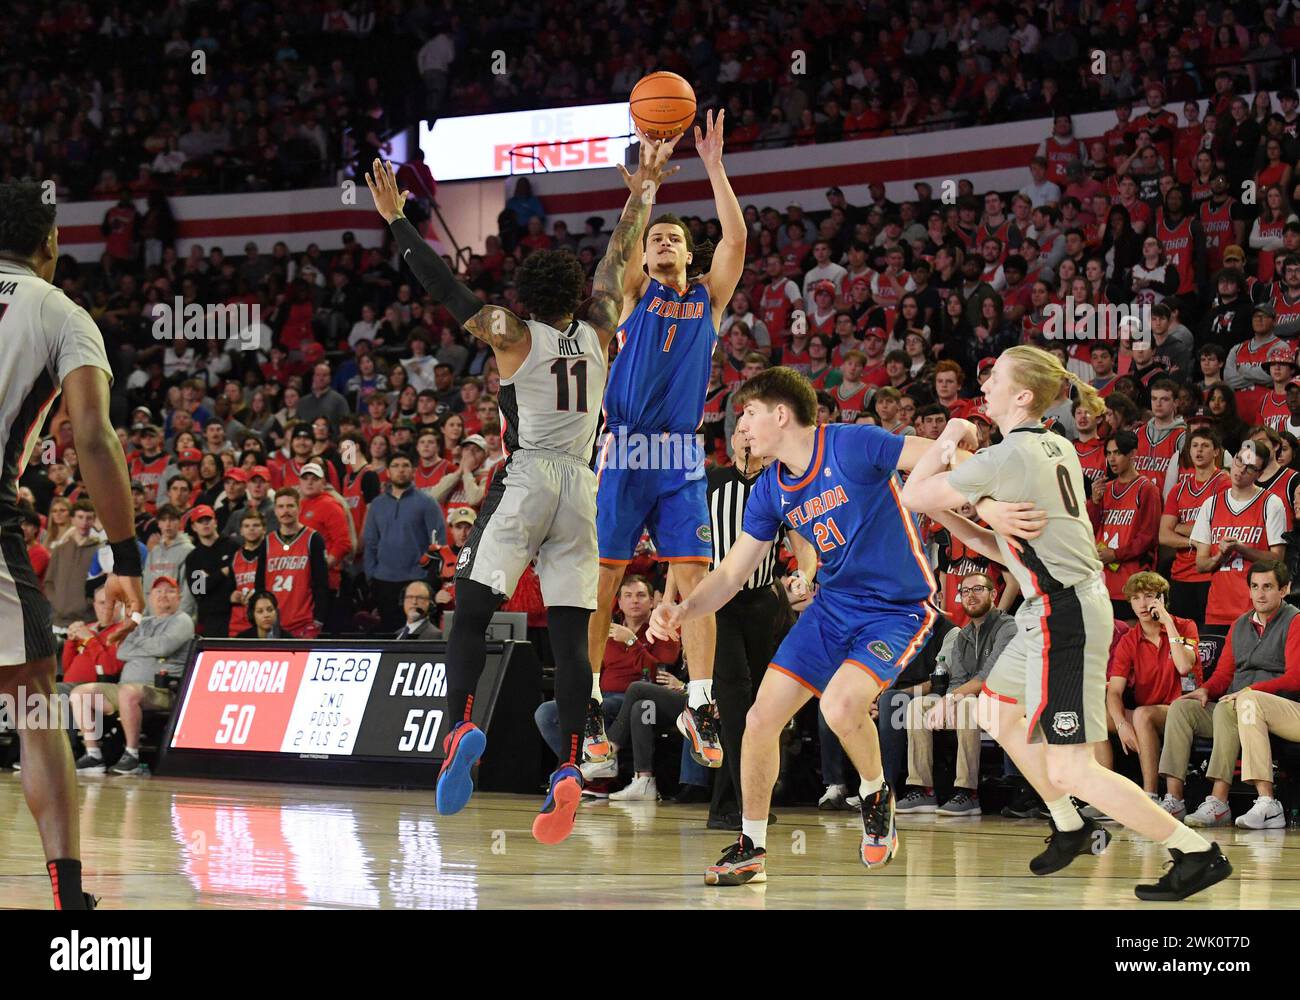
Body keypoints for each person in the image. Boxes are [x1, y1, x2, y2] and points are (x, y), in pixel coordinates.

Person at [368, 139, 635, 847]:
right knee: (574, 641)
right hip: (584, 488)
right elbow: (619, 261)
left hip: (526, 481)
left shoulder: (514, 337)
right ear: (577, 296)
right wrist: (642, 192)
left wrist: (400, 222)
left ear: (525, 300)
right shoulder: (603, 330)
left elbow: (447, 291)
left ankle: (463, 725)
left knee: (470, 614)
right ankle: (572, 765)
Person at [902, 345, 1233, 902]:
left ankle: (1195, 852)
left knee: (1074, 768)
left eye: (996, 377)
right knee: (998, 715)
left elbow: (913, 492)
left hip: (1067, 615)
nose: (985, 383)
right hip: (1043, 606)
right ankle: (1071, 825)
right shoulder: (1052, 445)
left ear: (1023, 395)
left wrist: (953, 431)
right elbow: (1007, 548)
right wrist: (980, 509)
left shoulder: (1010, 456)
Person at [650, 367, 967, 886]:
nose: (742, 426)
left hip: (897, 606)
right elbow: (731, 572)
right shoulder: (771, 487)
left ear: (780, 414)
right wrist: (683, 611)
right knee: (758, 721)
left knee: (841, 705)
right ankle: (751, 848)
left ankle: (875, 792)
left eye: (748, 413)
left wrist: (992, 489)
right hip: (833, 606)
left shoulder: (853, 443)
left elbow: (938, 458)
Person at [590, 111, 750, 779]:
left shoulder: (709, 300)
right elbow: (615, 255)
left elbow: (736, 242)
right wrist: (644, 190)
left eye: (673, 240)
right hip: (625, 447)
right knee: (602, 581)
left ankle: (703, 705)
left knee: (698, 585)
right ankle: (592, 703)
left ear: (688, 254)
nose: (660, 243)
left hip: (681, 452)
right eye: (654, 239)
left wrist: (714, 168)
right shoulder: (632, 295)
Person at [0, 180, 145, 909]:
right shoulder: (60, 312)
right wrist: (125, 555)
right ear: (50, 243)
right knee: (32, 703)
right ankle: (69, 897)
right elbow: (91, 435)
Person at [1158, 561, 1300, 829]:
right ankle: (1173, 799)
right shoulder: (1239, 625)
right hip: (1239, 708)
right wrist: (1205, 690)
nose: (1260, 594)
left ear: (1284, 589)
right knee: (1182, 709)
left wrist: (1249, 692)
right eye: (1255, 587)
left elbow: (1295, 679)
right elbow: (1224, 675)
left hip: (1285, 708)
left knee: (1234, 704)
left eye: (1268, 587)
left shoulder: (1295, 621)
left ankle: (1226, 800)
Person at [897, 571, 1017, 816]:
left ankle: (967, 792)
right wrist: (946, 701)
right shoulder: (963, 636)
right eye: (965, 591)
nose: (970, 596)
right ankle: (922, 790)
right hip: (973, 702)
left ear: (994, 594)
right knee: (916, 706)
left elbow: (988, 678)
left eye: (978, 589)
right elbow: (958, 682)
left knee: (965, 705)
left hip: (1007, 702)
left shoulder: (1008, 627)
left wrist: (950, 700)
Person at [70, 575, 192, 777]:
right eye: (158, 591)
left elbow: (164, 646)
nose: (163, 595)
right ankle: (93, 755)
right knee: (79, 693)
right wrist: (150, 647)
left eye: (169, 591)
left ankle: (132, 755)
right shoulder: (142, 622)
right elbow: (122, 651)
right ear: (150, 597)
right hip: (125, 687)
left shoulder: (182, 620)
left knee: (128, 693)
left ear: (178, 597)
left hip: (161, 690)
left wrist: (139, 643)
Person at [1103, 573, 1199, 802]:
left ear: (1162, 599)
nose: (1143, 604)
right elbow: (1114, 691)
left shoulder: (1185, 626)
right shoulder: (1129, 640)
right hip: (1147, 714)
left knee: (1143, 715)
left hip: (1185, 709)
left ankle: (1150, 796)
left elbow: (1184, 666)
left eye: (1148, 596)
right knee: (1094, 717)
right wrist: (1121, 724)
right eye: (1135, 598)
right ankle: (1104, 799)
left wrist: (1168, 623)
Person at [254, 488, 328, 639]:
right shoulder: (267, 542)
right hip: (273, 624)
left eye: (290, 506)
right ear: (275, 510)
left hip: (304, 622)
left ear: (299, 508)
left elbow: (322, 583)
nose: (285, 511)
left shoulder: (313, 539)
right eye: (281, 507)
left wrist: (318, 619)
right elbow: (259, 585)